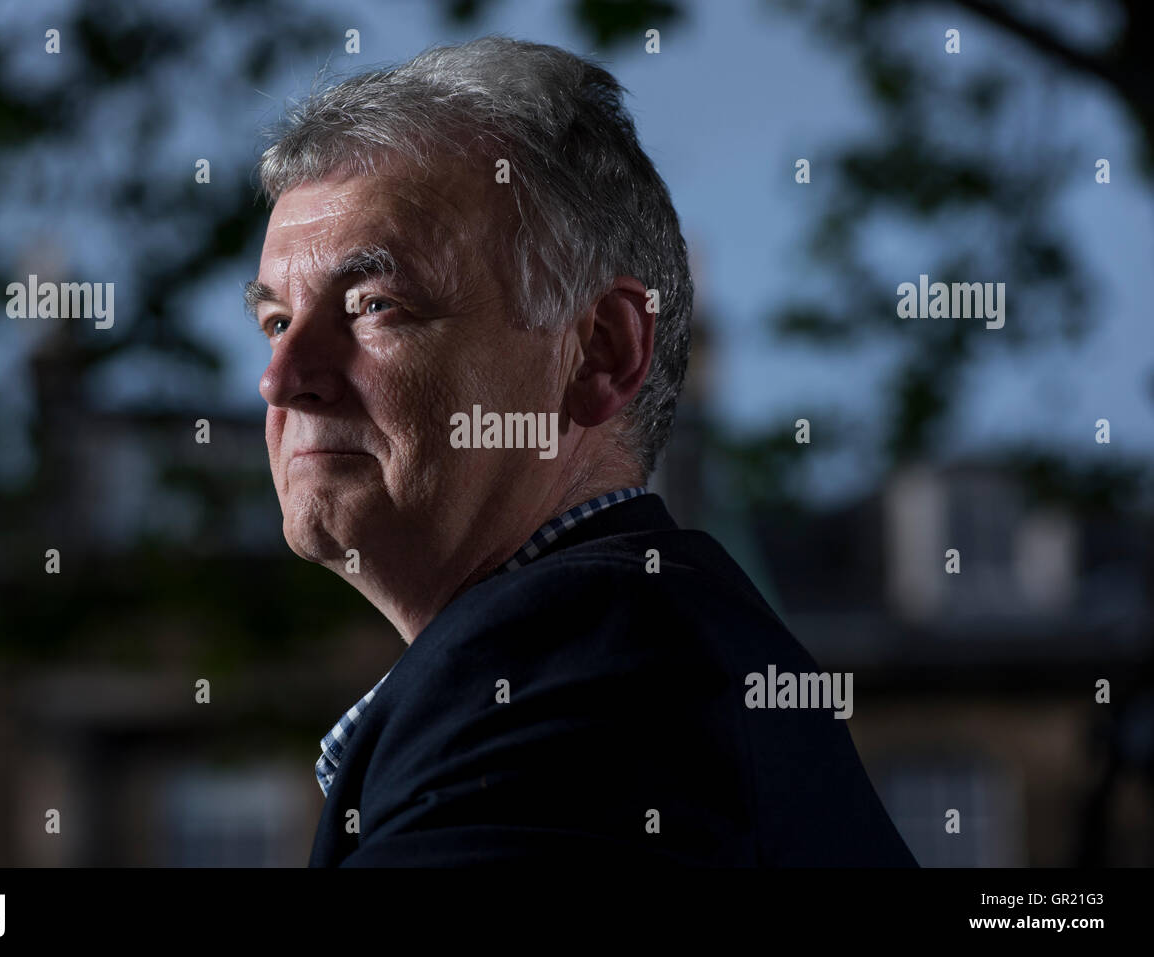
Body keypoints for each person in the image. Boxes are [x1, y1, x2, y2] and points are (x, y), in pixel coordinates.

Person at [246, 35, 917, 867]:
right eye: (277, 320)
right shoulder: (640, 642)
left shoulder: (580, 669)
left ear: (600, 349)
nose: (282, 378)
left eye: (374, 304)